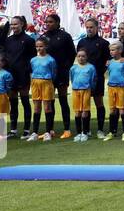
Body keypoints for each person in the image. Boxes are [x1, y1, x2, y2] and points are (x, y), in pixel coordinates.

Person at [0, 15, 36, 140]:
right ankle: (13, 130)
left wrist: (28, 72)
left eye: (16, 24)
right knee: (13, 103)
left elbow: (32, 58)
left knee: (25, 101)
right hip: (10, 75)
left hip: (23, 75)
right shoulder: (8, 40)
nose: (14, 27)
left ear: (22, 24)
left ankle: (26, 130)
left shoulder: (29, 40)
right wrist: (7, 25)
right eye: (12, 24)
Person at [40, 13, 78, 141]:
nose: (48, 24)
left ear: (57, 22)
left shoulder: (65, 36)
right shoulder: (43, 37)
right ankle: (49, 130)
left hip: (61, 73)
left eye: (50, 22)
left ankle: (67, 129)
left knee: (62, 100)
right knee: (49, 102)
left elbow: (72, 53)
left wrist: (65, 67)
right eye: (46, 22)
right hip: (47, 75)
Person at [76, 17, 111, 139]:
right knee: (85, 105)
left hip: (98, 78)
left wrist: (101, 71)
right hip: (83, 79)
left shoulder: (103, 43)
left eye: (91, 27)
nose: (89, 29)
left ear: (97, 28)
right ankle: (86, 129)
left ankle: (100, 130)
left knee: (98, 103)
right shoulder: (81, 42)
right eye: (87, 27)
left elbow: (108, 60)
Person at [29, 38, 58, 142]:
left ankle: (48, 132)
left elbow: (53, 73)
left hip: (46, 82)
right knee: (36, 108)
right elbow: (31, 71)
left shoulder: (51, 60)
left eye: (41, 46)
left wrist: (48, 80)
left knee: (47, 108)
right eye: (37, 46)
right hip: (35, 83)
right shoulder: (33, 60)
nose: (39, 48)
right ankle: (35, 132)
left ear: (46, 46)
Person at [103, 42, 124, 141]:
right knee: (112, 110)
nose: (111, 52)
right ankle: (111, 132)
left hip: (121, 88)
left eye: (113, 50)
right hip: (111, 88)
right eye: (110, 50)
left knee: (122, 110)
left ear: (120, 50)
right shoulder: (109, 63)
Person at [68, 50, 96, 141]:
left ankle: (85, 132)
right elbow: (72, 79)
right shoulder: (73, 68)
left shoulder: (90, 67)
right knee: (77, 112)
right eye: (79, 56)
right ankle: (79, 133)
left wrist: (90, 88)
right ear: (76, 57)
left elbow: (93, 79)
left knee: (85, 111)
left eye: (83, 56)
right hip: (76, 91)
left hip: (86, 90)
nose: (81, 58)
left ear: (86, 57)